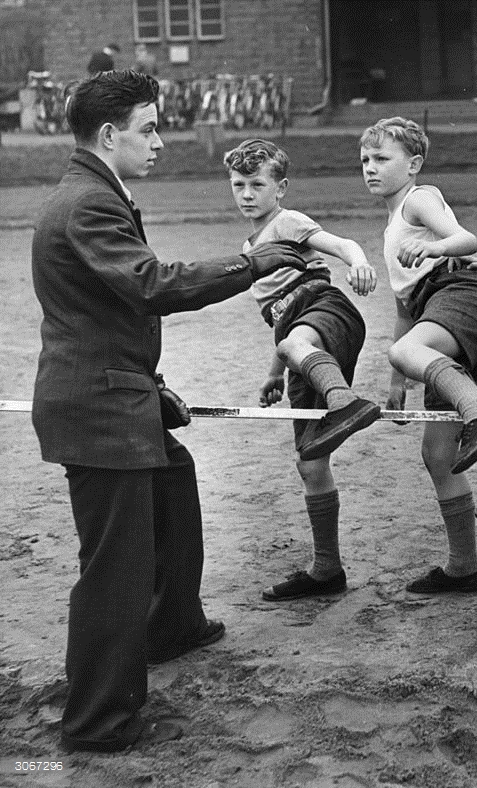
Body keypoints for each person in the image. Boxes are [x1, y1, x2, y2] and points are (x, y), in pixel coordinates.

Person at [31, 70, 307, 752]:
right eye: (148, 128)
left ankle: (174, 625)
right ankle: (98, 721)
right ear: (107, 135)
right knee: (114, 570)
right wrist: (252, 262)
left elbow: (105, 311)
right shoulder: (88, 204)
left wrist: (148, 389)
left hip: (116, 393)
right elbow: (150, 285)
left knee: (174, 484)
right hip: (98, 411)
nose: (159, 141)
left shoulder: (94, 192)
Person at [360, 116, 477, 594]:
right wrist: (396, 382)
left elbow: (465, 240)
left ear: (414, 165)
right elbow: (406, 307)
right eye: (365, 160)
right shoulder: (391, 225)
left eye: (382, 159)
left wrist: (434, 252)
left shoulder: (419, 197)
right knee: (437, 454)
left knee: (407, 351)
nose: (370, 168)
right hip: (439, 309)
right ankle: (464, 568)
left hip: (464, 294)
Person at [223, 138, 381, 601]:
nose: (247, 194)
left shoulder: (287, 222)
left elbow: (341, 244)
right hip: (299, 340)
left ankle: (345, 403)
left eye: (257, 184)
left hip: (328, 310)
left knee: (298, 343)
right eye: (238, 185)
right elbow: (281, 323)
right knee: (310, 461)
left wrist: (359, 262)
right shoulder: (248, 245)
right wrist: (274, 372)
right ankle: (327, 570)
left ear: (281, 188)